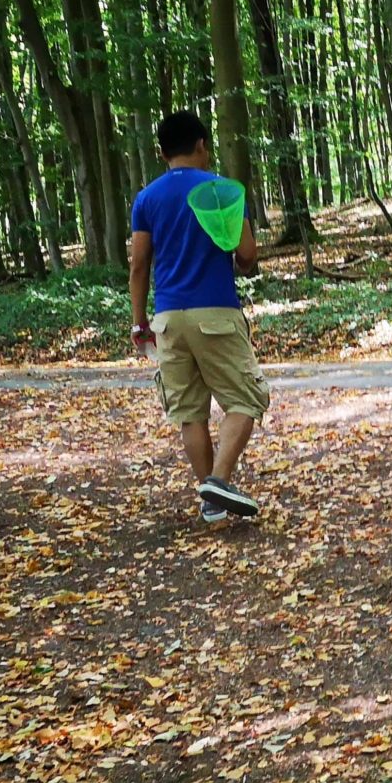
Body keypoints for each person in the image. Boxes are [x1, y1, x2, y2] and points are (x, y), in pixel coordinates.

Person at [128, 109, 269, 525]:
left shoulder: (147, 198)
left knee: (190, 412)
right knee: (246, 398)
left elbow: (138, 264)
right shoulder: (223, 190)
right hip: (216, 311)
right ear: (203, 145)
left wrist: (140, 322)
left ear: (161, 152)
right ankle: (219, 481)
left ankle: (210, 504)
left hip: (168, 317)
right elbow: (246, 257)